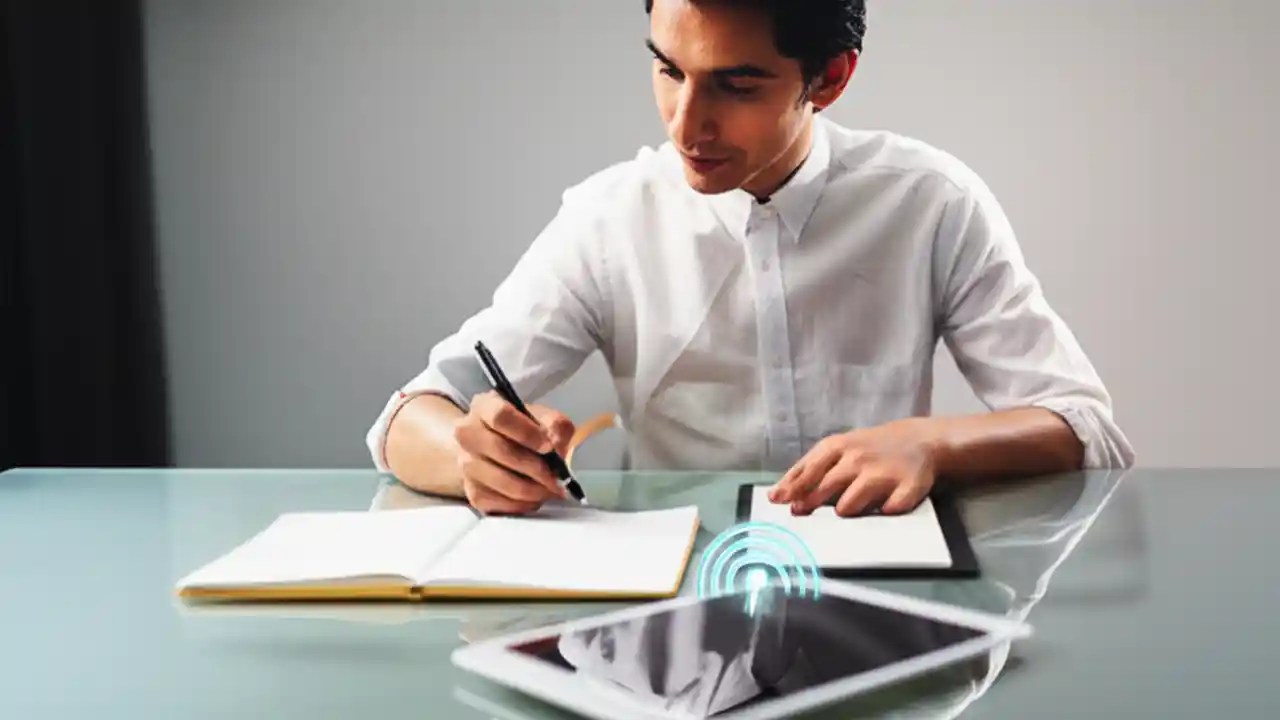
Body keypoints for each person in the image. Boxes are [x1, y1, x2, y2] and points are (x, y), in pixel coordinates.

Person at [366, 0, 1134, 517]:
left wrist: (930, 442)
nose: (687, 124)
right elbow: (408, 419)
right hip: (670, 594)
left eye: (735, 84)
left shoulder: (930, 202)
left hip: (880, 593)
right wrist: (472, 457)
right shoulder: (609, 217)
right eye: (669, 70)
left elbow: (1087, 429)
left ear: (829, 78)